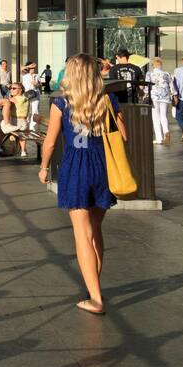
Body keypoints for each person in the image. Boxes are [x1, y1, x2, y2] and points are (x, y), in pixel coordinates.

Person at [38, 54, 126, 315]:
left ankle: (96, 298)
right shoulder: (108, 100)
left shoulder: (61, 103)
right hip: (103, 168)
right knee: (95, 230)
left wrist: (43, 167)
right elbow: (124, 136)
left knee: (81, 235)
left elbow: (51, 142)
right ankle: (93, 285)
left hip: (76, 169)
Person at [146, 57, 173, 146]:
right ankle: (166, 131)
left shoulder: (150, 74)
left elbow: (147, 86)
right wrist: (174, 94)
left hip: (154, 97)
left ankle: (159, 138)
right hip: (165, 96)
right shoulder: (167, 74)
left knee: (155, 117)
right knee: (163, 115)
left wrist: (146, 94)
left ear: (153, 65)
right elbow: (172, 87)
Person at [21, 61, 41, 125]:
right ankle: (26, 123)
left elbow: (40, 85)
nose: (33, 69)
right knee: (27, 110)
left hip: (35, 94)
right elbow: (21, 68)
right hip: (27, 94)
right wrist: (30, 66)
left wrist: (36, 84)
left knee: (35, 110)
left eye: (34, 68)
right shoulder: (24, 75)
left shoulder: (37, 75)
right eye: (31, 68)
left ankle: (33, 126)